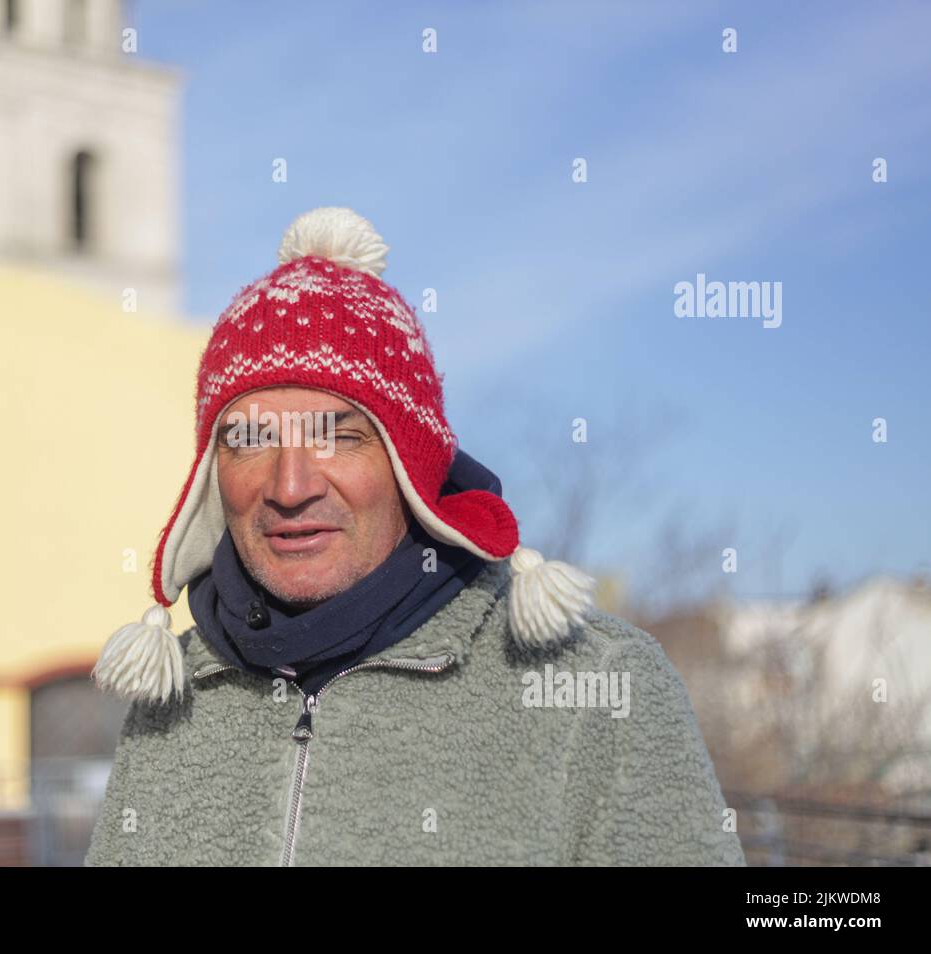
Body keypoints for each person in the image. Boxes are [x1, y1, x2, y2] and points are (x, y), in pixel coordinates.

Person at [85, 207, 745, 866]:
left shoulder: (597, 686)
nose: (290, 487)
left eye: (338, 435)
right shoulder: (175, 699)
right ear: (210, 476)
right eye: (249, 440)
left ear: (411, 464)